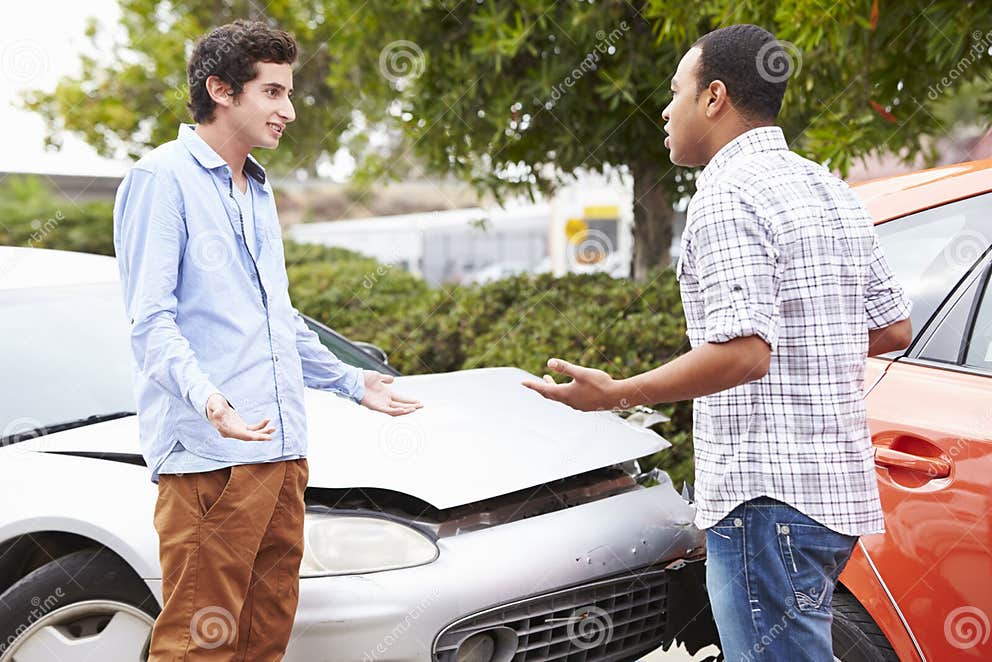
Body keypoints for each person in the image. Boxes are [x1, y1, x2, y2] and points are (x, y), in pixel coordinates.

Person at [523, 23, 912, 661]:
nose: (665, 111)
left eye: (675, 91)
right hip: (830, 496)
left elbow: (744, 352)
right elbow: (892, 326)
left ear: (714, 98)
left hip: (765, 498)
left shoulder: (726, 195)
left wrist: (617, 393)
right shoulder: (829, 188)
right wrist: (802, 344)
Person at [113, 20, 421, 661]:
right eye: (273, 92)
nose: (290, 110)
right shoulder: (161, 178)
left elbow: (275, 317)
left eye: (289, 93)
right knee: (199, 645)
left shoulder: (255, 185)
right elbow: (151, 321)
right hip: (210, 459)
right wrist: (212, 402)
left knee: (265, 639)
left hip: (282, 452)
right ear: (221, 90)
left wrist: (351, 381)